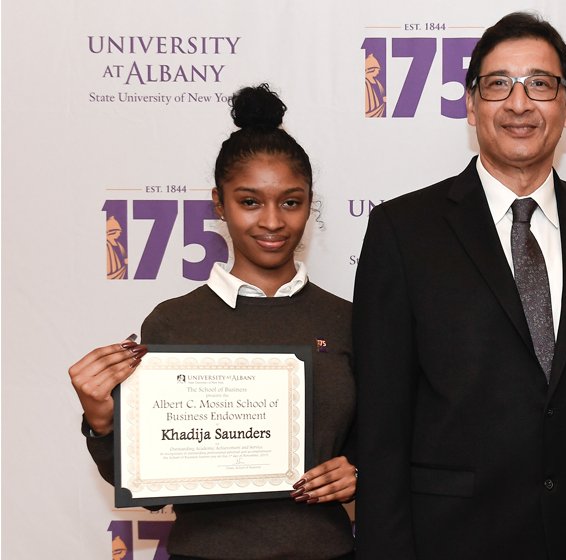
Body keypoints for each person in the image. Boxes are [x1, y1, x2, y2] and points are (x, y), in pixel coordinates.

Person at [353, 12, 566, 560]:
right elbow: (382, 423)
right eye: (498, 85)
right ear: (470, 104)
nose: (518, 103)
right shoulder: (402, 231)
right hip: (448, 539)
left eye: (540, 84)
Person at [69, 84, 357, 560]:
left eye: (290, 201)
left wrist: (358, 474)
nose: (272, 221)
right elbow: (150, 489)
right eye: (249, 201)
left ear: (310, 204)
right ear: (218, 204)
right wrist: (101, 422)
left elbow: (383, 444)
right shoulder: (173, 322)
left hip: (324, 551)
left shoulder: (345, 319)